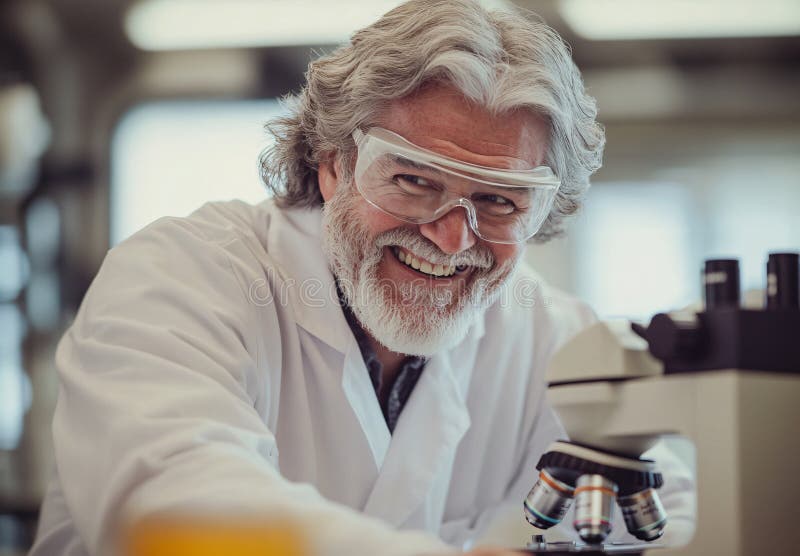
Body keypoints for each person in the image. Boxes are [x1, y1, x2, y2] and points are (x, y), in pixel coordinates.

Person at [30, 1, 694, 555]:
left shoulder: (554, 345)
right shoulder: (183, 278)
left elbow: (679, 516)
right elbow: (177, 503)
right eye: (412, 180)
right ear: (331, 165)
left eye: (499, 201)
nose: (453, 237)